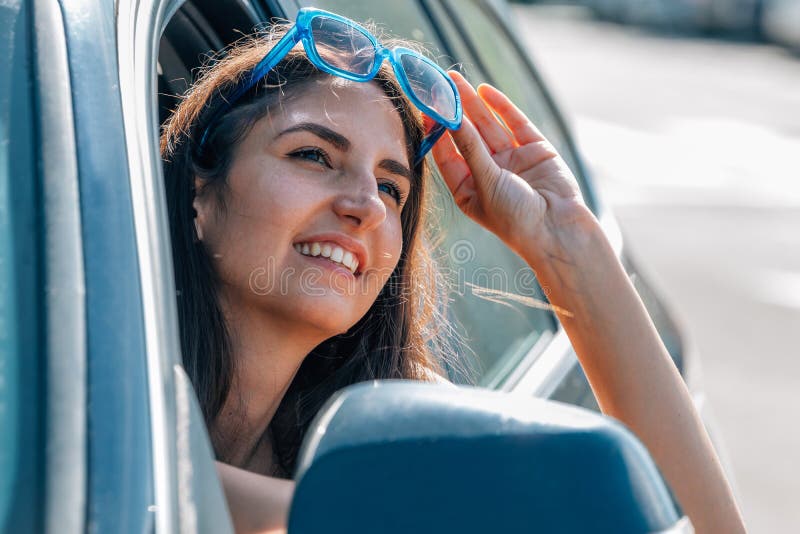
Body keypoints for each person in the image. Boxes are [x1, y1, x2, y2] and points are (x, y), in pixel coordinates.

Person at [160, 8, 745, 534]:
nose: (364, 206)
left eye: (391, 188)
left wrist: (568, 248)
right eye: (313, 155)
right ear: (199, 193)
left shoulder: (399, 420)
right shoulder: (101, 390)